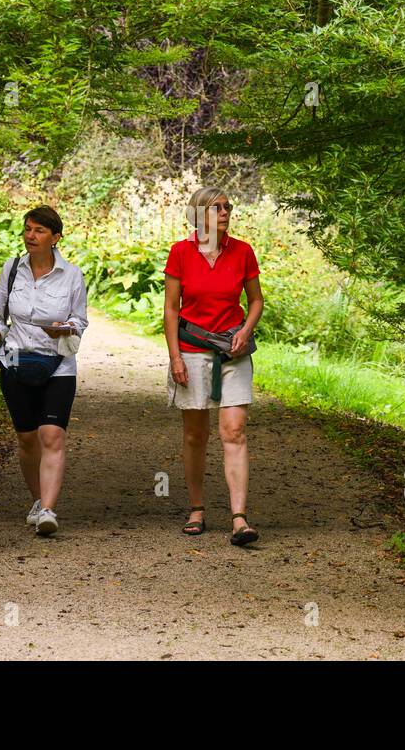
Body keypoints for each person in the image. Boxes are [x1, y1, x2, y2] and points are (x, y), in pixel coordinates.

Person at [0, 205, 88, 537]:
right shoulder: (11, 269)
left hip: (58, 364)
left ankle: (49, 510)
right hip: (15, 360)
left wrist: (63, 329)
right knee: (26, 438)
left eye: (39, 230)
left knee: (51, 434)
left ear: (56, 237)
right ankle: (38, 501)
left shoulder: (72, 275)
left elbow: (80, 321)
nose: (30, 236)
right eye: (27, 229)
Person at [163, 186, 265, 545]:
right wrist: (175, 357)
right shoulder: (180, 252)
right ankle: (197, 509)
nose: (225, 212)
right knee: (195, 434)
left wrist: (246, 330)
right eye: (216, 207)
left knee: (234, 430)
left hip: (232, 352)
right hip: (192, 351)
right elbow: (171, 309)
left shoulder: (243, 251)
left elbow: (256, 300)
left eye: (227, 206)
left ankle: (239, 519)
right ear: (198, 214)